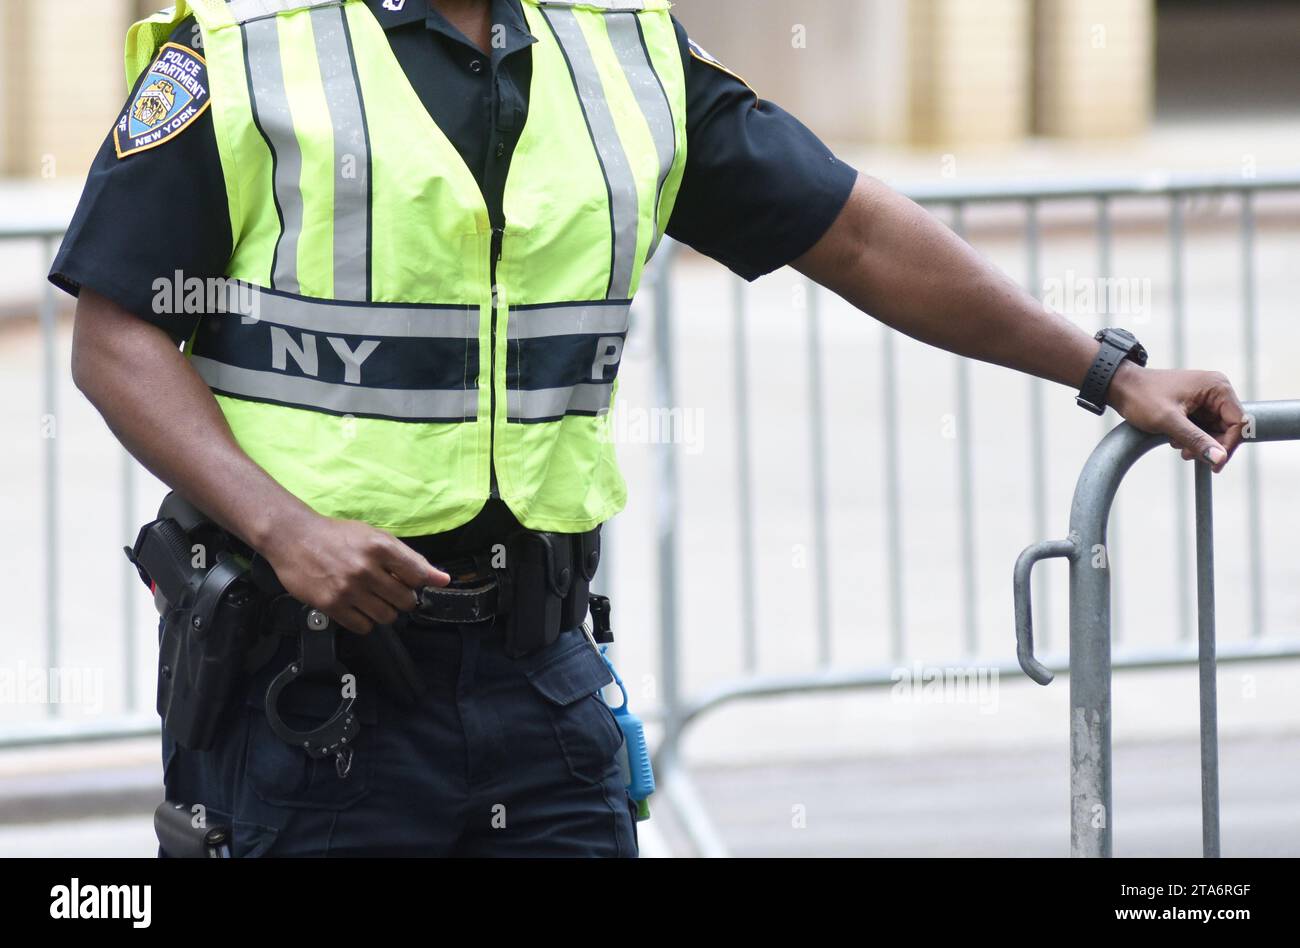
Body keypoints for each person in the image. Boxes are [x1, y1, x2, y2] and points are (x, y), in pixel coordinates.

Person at [52, 0, 1245, 858]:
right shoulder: (249, 47)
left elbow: (856, 235)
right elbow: (115, 335)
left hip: (537, 675)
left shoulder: (621, 46)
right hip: (306, 685)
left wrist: (1102, 367)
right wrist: (284, 525)